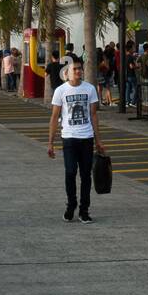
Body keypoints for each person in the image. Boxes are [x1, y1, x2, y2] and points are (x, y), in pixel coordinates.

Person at [47, 59, 103, 224]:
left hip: (86, 138)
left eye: (80, 69)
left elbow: (93, 115)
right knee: (70, 172)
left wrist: (99, 140)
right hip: (69, 138)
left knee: (86, 175)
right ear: (67, 73)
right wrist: (50, 143)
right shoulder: (60, 91)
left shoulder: (90, 89)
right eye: (75, 69)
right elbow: (54, 117)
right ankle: (71, 204)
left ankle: (84, 210)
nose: (79, 71)